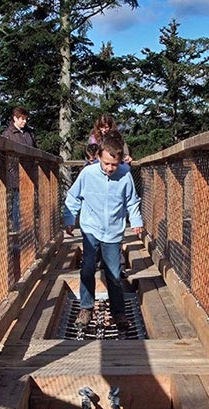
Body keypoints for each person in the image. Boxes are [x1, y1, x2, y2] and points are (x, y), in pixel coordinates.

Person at [63, 135, 143, 328]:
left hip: (114, 231)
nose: (109, 168)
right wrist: (69, 219)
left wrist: (136, 221)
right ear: (99, 157)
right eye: (106, 163)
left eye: (114, 164)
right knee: (88, 268)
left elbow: (132, 201)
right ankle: (86, 308)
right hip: (91, 228)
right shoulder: (88, 174)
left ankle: (118, 313)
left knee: (114, 275)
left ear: (120, 161)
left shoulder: (125, 175)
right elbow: (73, 197)